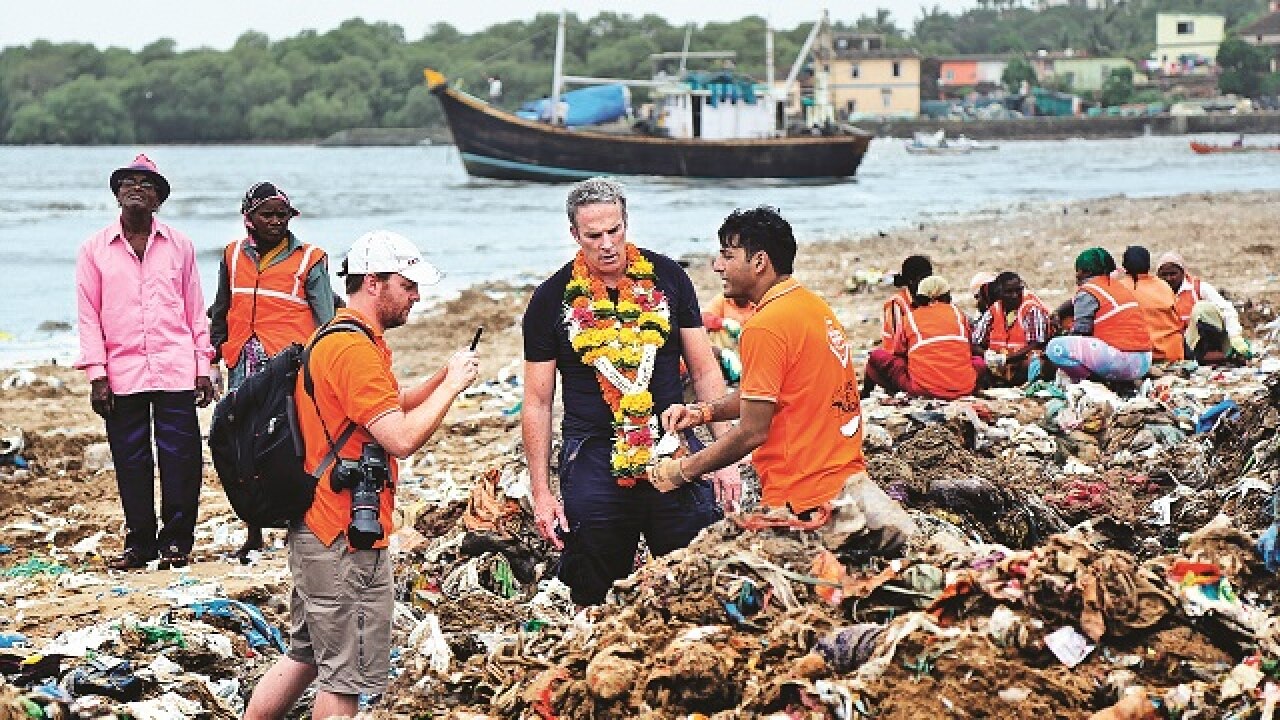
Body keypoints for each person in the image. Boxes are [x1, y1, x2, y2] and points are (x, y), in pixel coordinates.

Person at [243, 230, 478, 720]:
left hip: (317, 528)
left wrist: (440, 376)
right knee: (343, 679)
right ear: (373, 283)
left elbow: (384, 402)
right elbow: (401, 438)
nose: (417, 295)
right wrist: (453, 388)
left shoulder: (344, 336)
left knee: (305, 655)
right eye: (408, 285)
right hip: (342, 538)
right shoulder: (353, 350)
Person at [650, 206, 914, 558]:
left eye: (727, 256)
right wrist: (702, 413)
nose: (717, 265)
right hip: (844, 479)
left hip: (804, 499)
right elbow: (763, 392)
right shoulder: (812, 307)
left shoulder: (766, 326)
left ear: (759, 262)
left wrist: (682, 471)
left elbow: (752, 431)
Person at [521, 177, 734, 606]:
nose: (606, 244)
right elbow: (538, 402)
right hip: (593, 451)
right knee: (594, 583)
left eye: (614, 230)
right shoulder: (550, 299)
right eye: (593, 235)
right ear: (574, 235)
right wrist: (542, 494)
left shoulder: (668, 278)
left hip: (671, 442)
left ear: (626, 223)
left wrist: (725, 456)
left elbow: (705, 370)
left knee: (692, 575)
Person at [75, 154, 215, 571]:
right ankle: (140, 545)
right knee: (131, 459)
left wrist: (202, 367)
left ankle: (176, 542)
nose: (137, 188)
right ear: (117, 194)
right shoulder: (94, 250)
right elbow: (88, 315)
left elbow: (195, 309)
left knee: (182, 458)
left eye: (147, 184)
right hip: (121, 373)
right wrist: (96, 375)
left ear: (159, 200)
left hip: (174, 368)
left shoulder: (180, 246)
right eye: (128, 182)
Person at [207, 182, 336, 561]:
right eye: (268, 214)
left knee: (288, 441)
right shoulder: (232, 256)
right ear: (249, 218)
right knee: (243, 443)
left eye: (283, 215)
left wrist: (323, 366)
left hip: (286, 366)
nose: (276, 222)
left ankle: (299, 519)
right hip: (242, 362)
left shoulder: (310, 259)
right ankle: (254, 530)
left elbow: (325, 318)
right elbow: (221, 310)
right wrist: (212, 359)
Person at [1045, 248, 1153, 384]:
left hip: (1122, 362)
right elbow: (1073, 303)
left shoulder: (1088, 291)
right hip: (1144, 362)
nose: (1076, 275)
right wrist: (1058, 313)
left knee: (1054, 348)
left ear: (1087, 272)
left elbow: (1081, 332)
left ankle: (1089, 382)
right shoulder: (1114, 286)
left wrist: (1060, 335)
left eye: (1078, 270)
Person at [863, 276, 979, 400]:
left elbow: (898, 352)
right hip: (964, 387)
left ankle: (865, 394)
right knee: (978, 362)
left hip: (924, 389)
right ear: (946, 295)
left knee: (876, 356)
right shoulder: (958, 314)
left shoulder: (910, 318)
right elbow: (967, 346)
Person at [1156, 251, 1250, 364]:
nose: (1169, 278)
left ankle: (1217, 353)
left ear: (1183, 273)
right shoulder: (1155, 293)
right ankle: (1218, 357)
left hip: (1206, 339)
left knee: (1202, 309)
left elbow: (1227, 309)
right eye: (1164, 275)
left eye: (1173, 274)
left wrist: (1235, 336)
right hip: (1181, 343)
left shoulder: (1198, 288)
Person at [972, 271, 1051, 385]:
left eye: (1018, 290)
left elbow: (1037, 343)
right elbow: (975, 341)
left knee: (1035, 363)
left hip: (1021, 362)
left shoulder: (1031, 309)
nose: (1014, 295)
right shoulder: (994, 310)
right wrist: (988, 355)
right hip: (996, 364)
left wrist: (1006, 359)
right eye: (1009, 292)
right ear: (999, 293)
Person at [1116, 245, 1184, 363]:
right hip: (1172, 355)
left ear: (1124, 266)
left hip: (1139, 358)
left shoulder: (1118, 288)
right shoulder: (1164, 287)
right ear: (1148, 265)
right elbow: (1178, 320)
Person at [881, 255, 932, 349]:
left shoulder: (933, 299)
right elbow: (898, 343)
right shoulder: (897, 303)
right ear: (910, 281)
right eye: (924, 279)